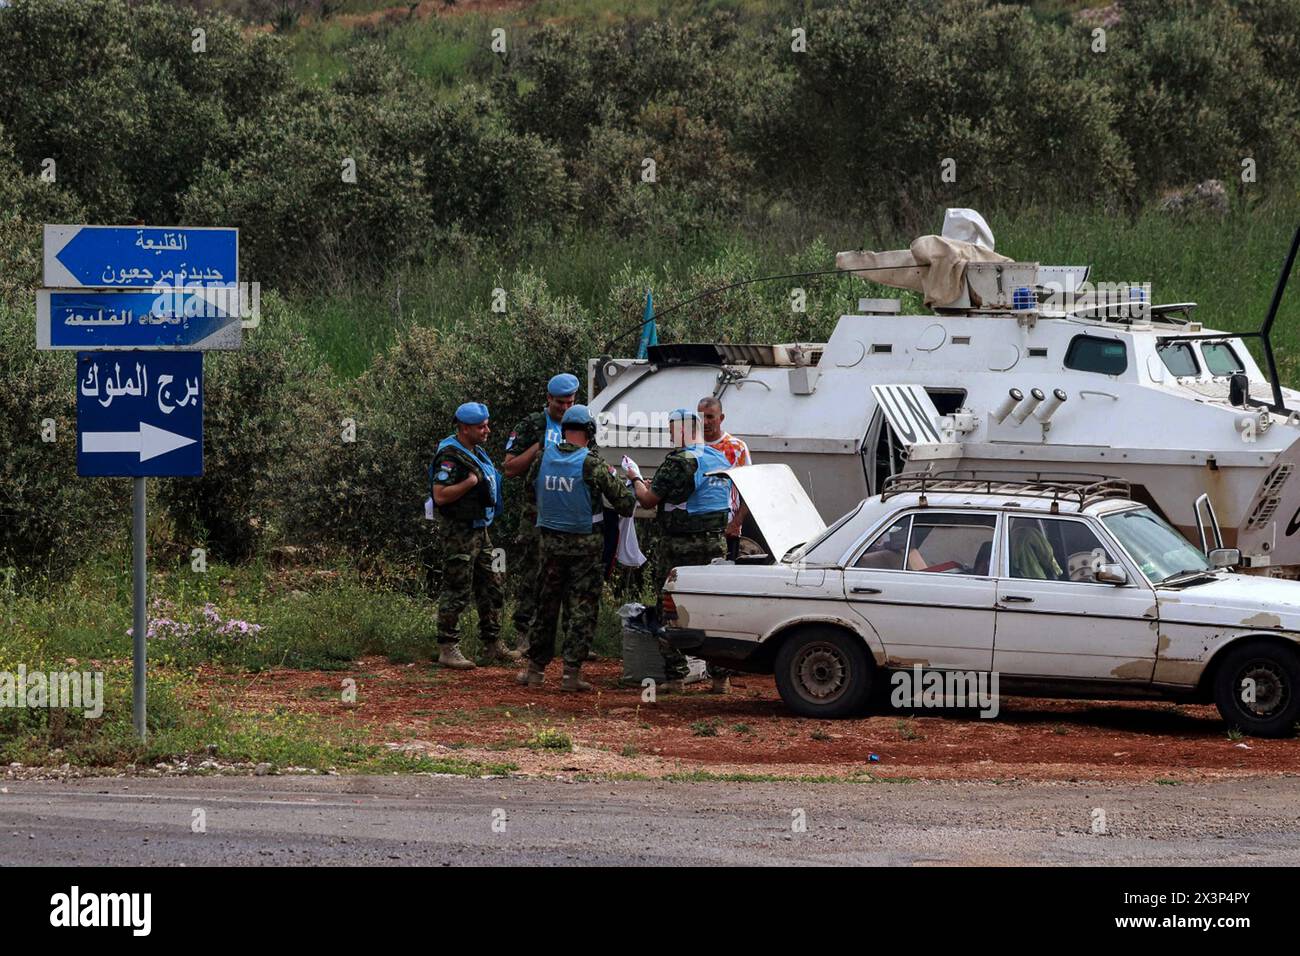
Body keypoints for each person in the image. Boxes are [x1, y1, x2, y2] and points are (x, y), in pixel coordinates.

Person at [516, 405, 636, 691]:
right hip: (585, 549)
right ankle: (571, 675)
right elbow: (625, 505)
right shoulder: (591, 463)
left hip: (549, 546)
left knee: (546, 607)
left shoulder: (543, 457)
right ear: (590, 432)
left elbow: (530, 492)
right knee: (582, 609)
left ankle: (535, 672)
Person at [627, 408, 731, 693]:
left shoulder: (679, 461)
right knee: (714, 609)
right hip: (716, 544)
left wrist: (635, 478)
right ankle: (721, 677)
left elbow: (648, 501)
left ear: (682, 430)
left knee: (669, 608)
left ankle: (676, 677)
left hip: (680, 547)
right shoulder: (718, 457)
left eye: (672, 429)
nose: (670, 435)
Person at [430, 402, 517, 669]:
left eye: (487, 424)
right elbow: (440, 495)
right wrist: (469, 483)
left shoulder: (475, 451)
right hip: (460, 532)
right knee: (457, 588)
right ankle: (447, 647)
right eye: (481, 426)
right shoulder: (450, 456)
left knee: (493, 583)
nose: (487, 430)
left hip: (481, 529)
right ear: (464, 428)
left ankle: (492, 644)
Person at [503, 373, 580, 653]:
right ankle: (525, 635)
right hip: (537, 511)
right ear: (549, 399)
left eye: (570, 402)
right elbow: (510, 468)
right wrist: (538, 449)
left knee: (572, 576)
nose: (565, 408)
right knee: (533, 573)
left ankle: (574, 640)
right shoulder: (532, 424)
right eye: (560, 402)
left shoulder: (581, 423)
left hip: (571, 512)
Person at [695, 396, 751, 693]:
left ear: (721, 417)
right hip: (695, 531)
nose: (706, 422)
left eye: (711, 417)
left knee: (720, 599)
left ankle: (721, 676)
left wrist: (736, 522)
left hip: (725, 531)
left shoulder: (736, 448)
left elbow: (748, 489)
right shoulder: (691, 448)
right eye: (701, 416)